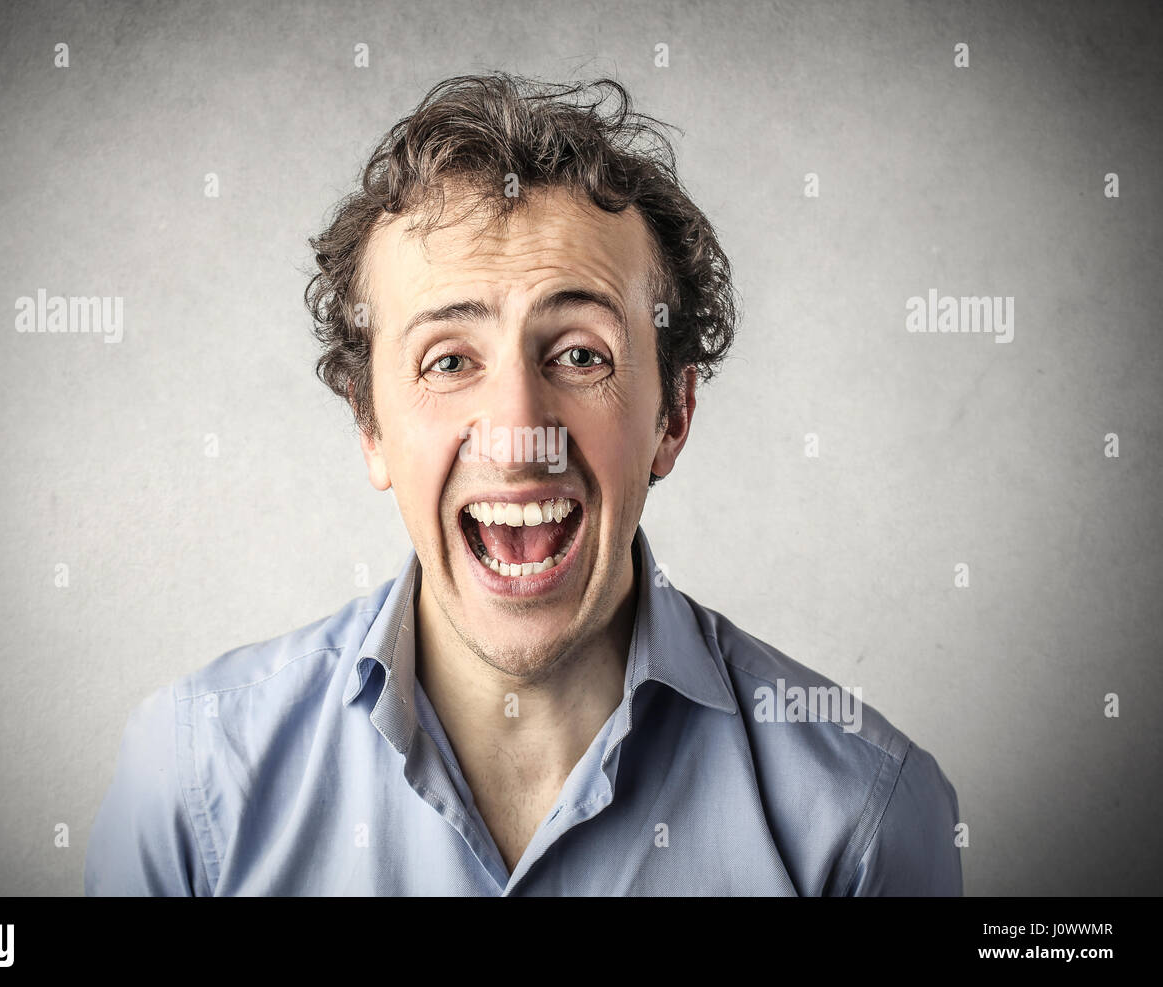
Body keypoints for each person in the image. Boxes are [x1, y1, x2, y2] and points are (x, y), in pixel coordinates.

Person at [85, 72, 962, 896]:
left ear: (673, 415)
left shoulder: (864, 818)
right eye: (449, 360)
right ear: (369, 426)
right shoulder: (191, 783)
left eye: (581, 355)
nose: (516, 437)